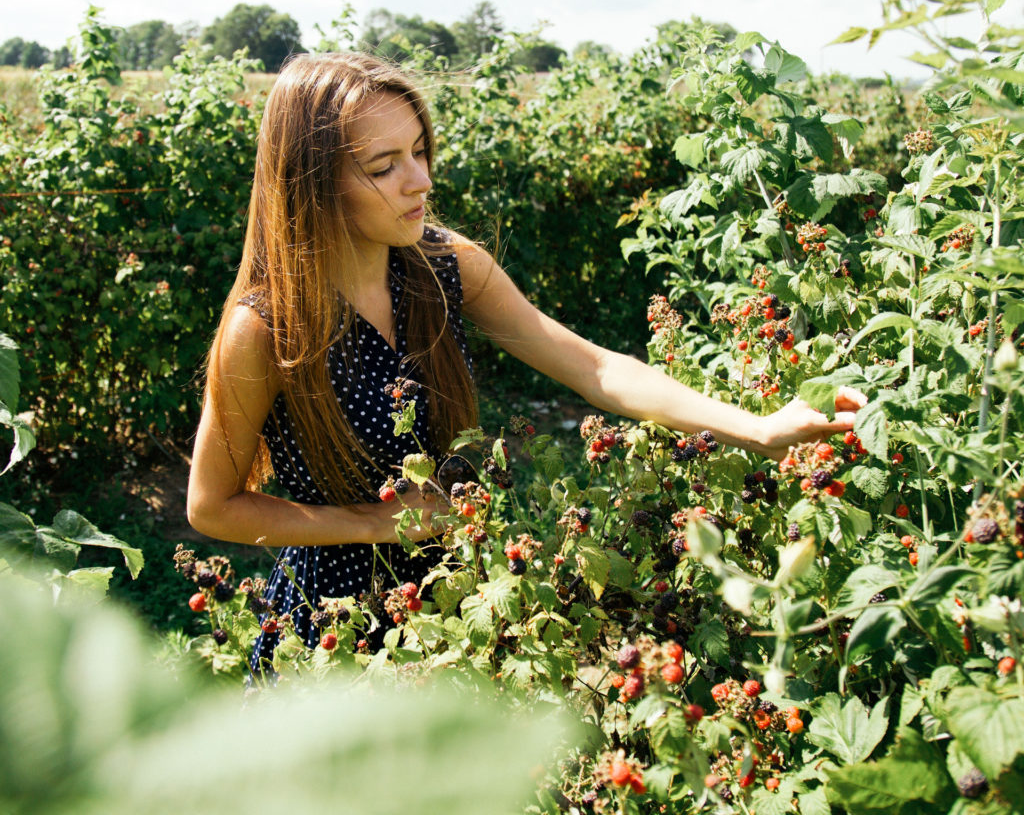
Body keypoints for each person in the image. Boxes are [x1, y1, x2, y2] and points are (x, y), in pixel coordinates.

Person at [186, 51, 865, 674]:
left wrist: (757, 427)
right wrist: (373, 523)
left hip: (457, 590)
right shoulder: (266, 326)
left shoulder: (444, 268)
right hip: (331, 623)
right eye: (384, 165)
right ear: (313, 181)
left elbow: (597, 368)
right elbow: (212, 507)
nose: (420, 180)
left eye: (419, 151)